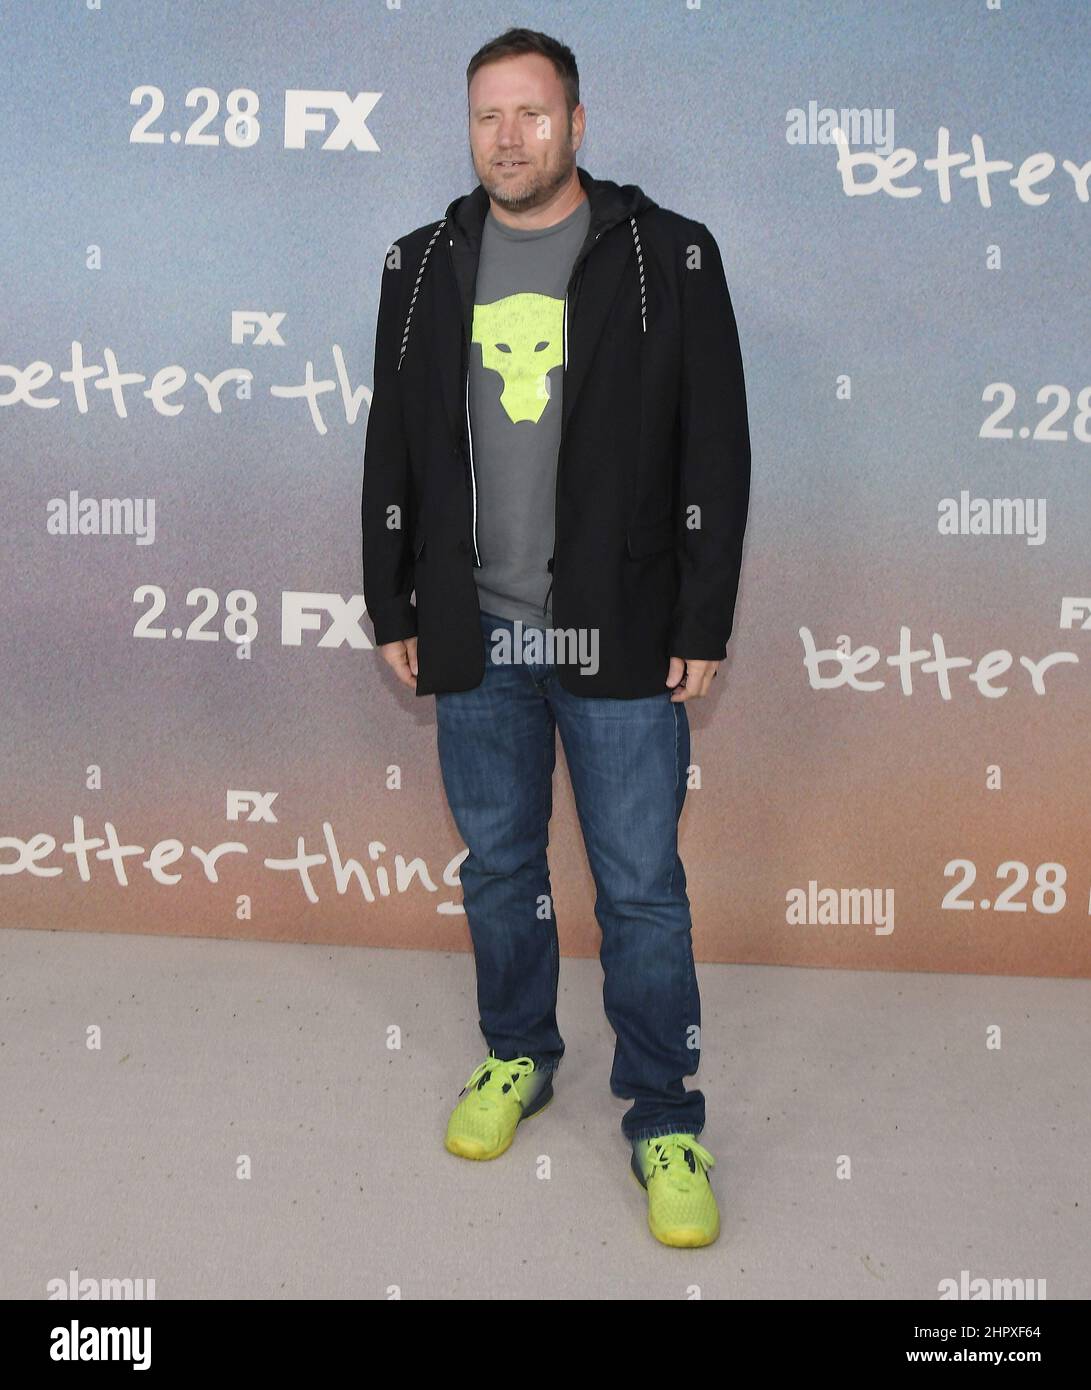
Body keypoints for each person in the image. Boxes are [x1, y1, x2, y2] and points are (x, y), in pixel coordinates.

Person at [361, 26, 751, 1249]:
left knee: (639, 889)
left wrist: (698, 616)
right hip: (475, 633)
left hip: (619, 632)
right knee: (497, 871)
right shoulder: (421, 265)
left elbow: (716, 447)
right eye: (487, 116)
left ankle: (664, 1114)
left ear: (577, 124)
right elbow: (394, 447)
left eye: (532, 114)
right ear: (468, 127)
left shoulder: (666, 256)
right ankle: (517, 1055)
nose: (508, 138)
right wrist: (394, 601)